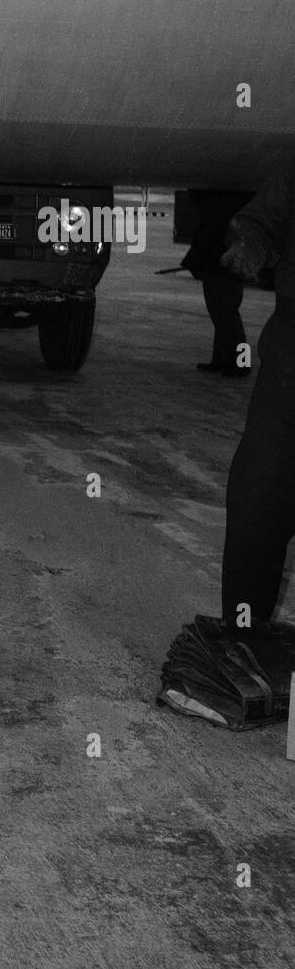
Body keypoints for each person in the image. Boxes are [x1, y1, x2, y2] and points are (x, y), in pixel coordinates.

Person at [218, 168, 295, 634]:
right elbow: (264, 218)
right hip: (292, 351)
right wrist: (254, 244)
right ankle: (245, 641)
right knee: (259, 495)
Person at [181, 189, 252, 377]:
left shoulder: (229, 192)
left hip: (220, 257)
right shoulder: (234, 190)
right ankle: (224, 360)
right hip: (217, 256)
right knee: (222, 314)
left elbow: (197, 195)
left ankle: (240, 363)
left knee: (226, 314)